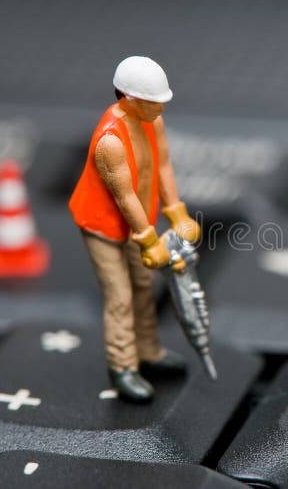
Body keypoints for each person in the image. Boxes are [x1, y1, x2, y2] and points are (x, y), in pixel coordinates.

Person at [69, 56, 200, 402]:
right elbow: (124, 196)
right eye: (153, 100)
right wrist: (148, 240)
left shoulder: (152, 121)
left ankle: (149, 352)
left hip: (138, 220)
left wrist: (177, 213)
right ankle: (123, 366)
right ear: (128, 98)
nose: (161, 107)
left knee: (145, 284)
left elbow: (164, 168)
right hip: (104, 227)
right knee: (120, 297)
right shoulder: (110, 141)